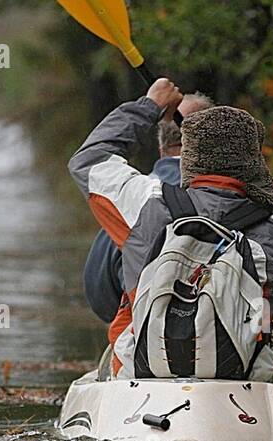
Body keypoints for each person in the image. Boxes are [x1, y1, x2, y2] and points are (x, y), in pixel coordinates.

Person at [68, 79, 273, 380]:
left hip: (139, 376)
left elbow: (88, 160)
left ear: (189, 158)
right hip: (247, 384)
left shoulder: (146, 204)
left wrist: (150, 105)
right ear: (253, 164)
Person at [69, 81, 212, 324]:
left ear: (160, 147)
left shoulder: (135, 201)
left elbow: (89, 161)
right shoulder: (260, 207)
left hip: (150, 351)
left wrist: (149, 105)